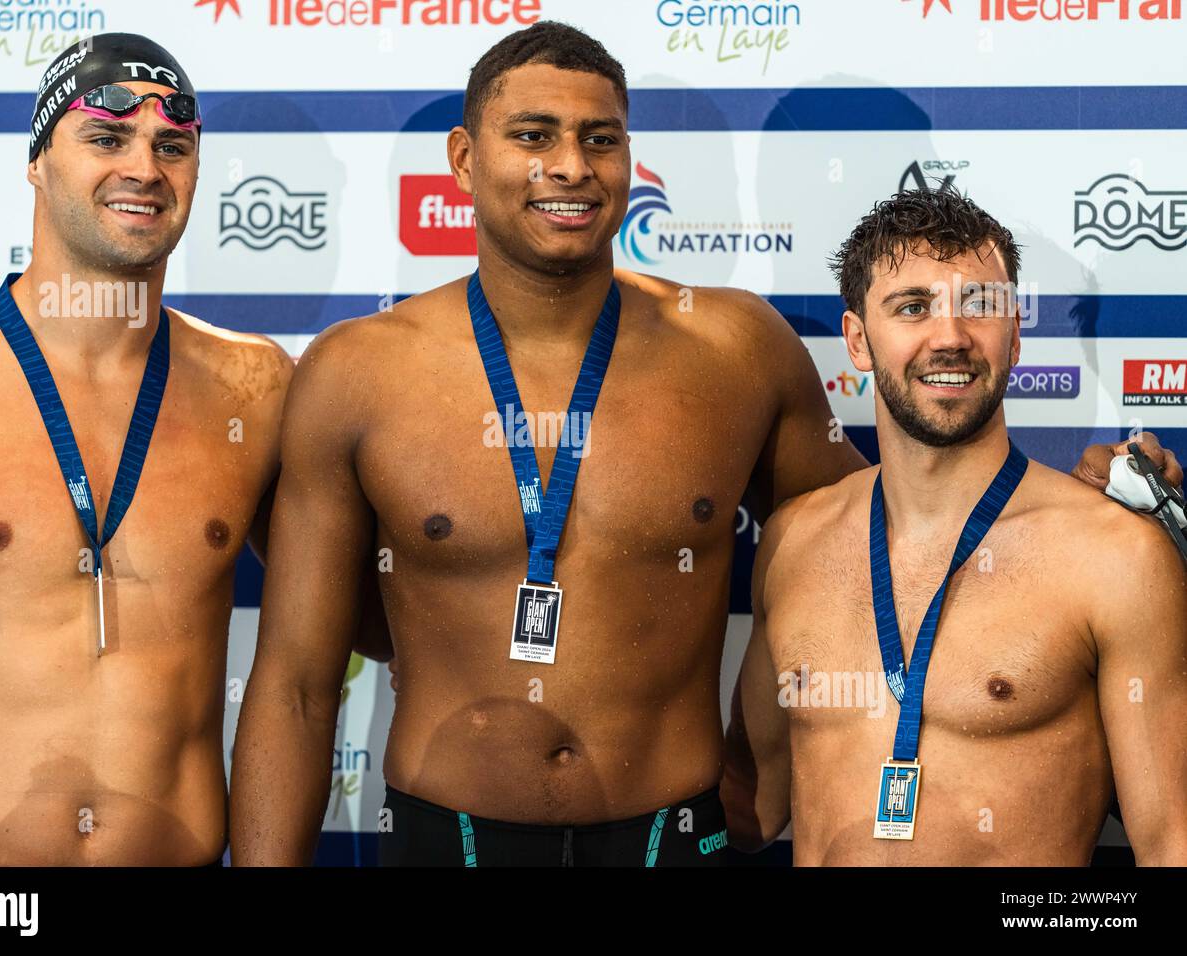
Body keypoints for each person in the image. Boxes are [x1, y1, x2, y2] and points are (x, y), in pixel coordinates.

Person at [229, 22, 1176, 867]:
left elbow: (895, 522)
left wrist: (1076, 512)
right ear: (464, 158)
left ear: (631, 161)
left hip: (672, 835)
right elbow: (300, 687)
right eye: (533, 136)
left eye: (600, 140)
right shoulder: (357, 372)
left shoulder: (735, 352)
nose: (570, 166)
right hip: (446, 832)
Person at [0, 33, 297, 865]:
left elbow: (322, 655)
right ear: (36, 163)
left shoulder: (254, 388)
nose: (145, 168)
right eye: (106, 138)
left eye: (173, 146)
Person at [723, 189, 1187, 864]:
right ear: (857, 339)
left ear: (1017, 336)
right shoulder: (795, 542)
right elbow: (751, 807)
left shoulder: (1114, 555)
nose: (950, 337)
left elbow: (1171, 842)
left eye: (980, 307)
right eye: (913, 307)